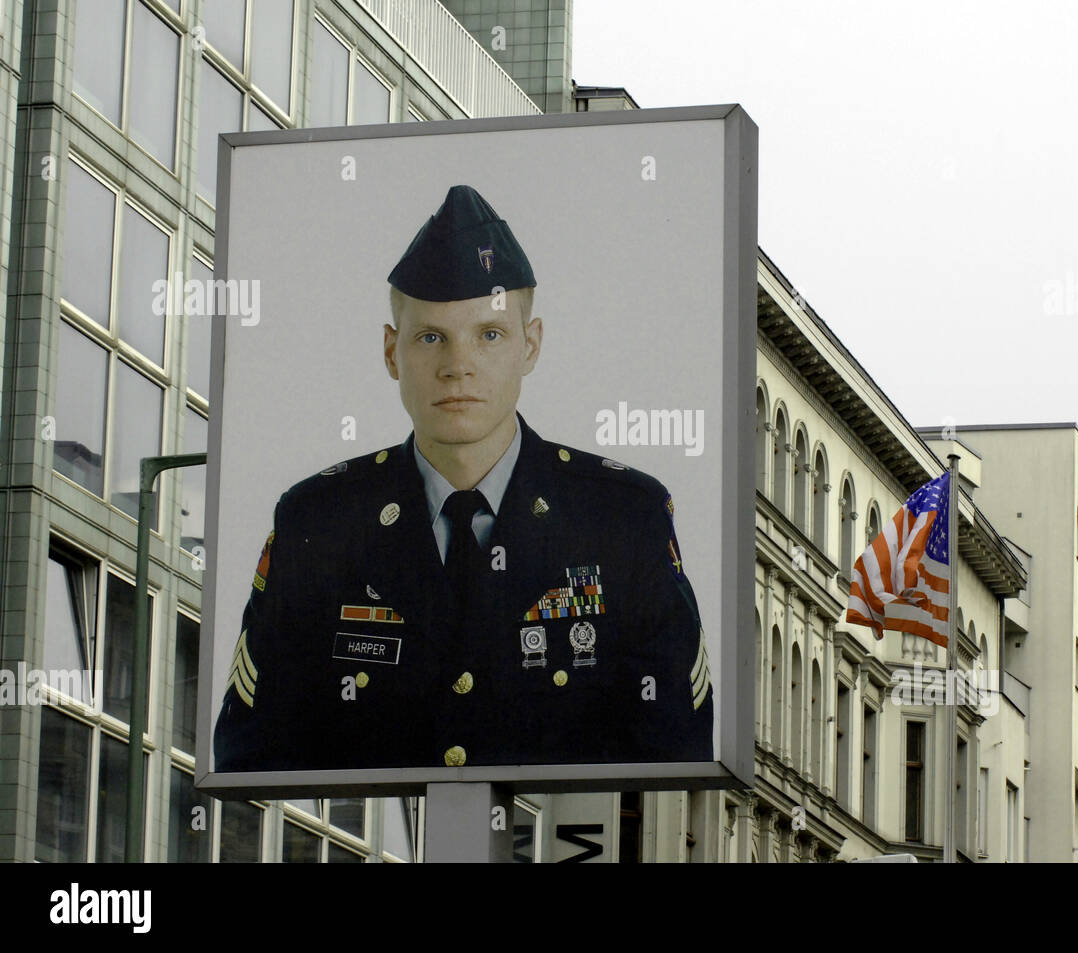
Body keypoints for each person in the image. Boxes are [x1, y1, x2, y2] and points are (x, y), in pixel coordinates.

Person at [214, 185, 712, 772]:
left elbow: (676, 753)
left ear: (531, 345)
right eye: (431, 338)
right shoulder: (318, 522)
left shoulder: (623, 518)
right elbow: (250, 754)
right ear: (391, 351)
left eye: (489, 335)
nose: (457, 366)